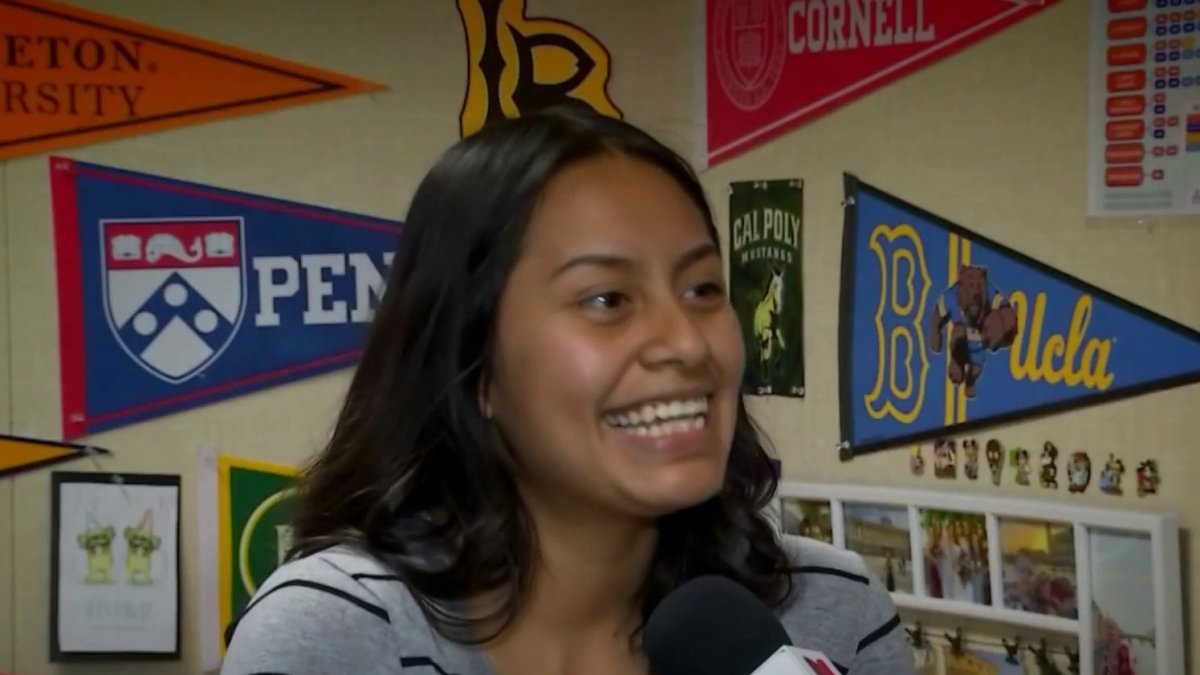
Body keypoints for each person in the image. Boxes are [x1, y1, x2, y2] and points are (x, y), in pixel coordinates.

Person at [219, 105, 914, 675]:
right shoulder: (336, 635)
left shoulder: (834, 612)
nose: (687, 342)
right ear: (476, 368)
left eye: (703, 288)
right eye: (608, 298)